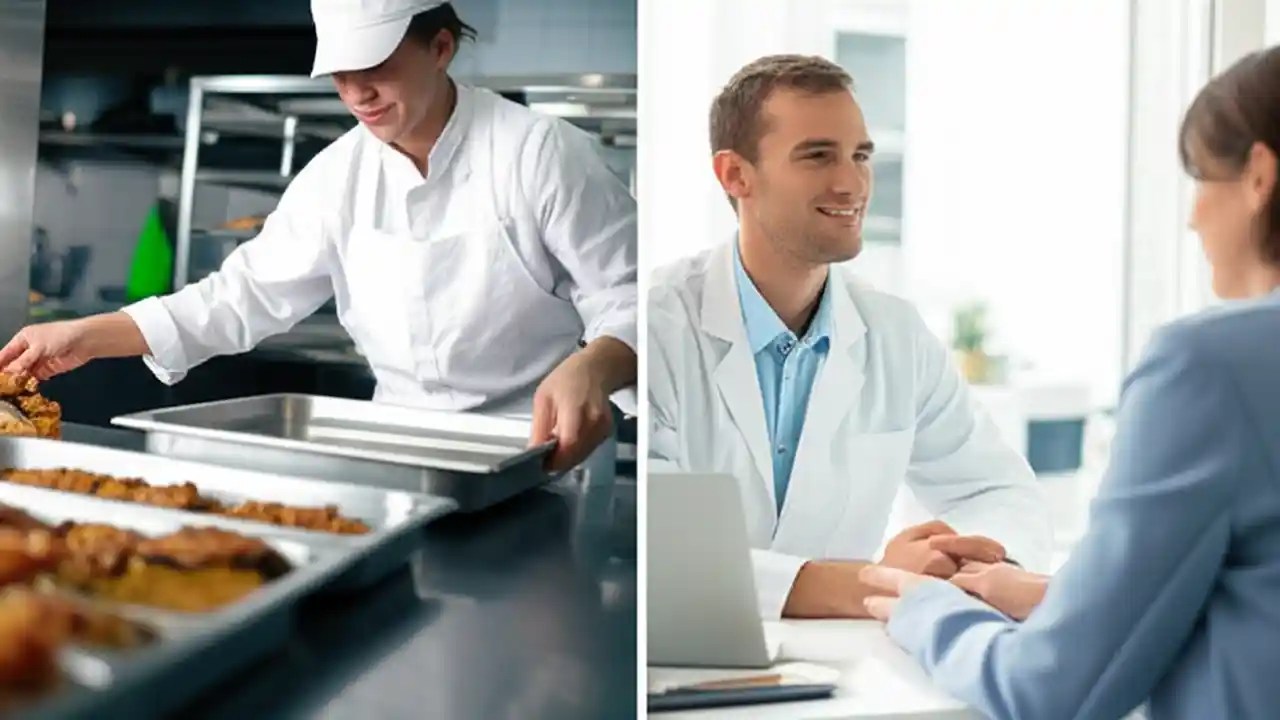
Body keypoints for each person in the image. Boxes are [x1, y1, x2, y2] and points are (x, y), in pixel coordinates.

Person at [1, 1, 637, 472]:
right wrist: (86, 334)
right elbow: (237, 299)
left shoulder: (540, 153)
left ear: (441, 48)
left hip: (541, 455)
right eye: (339, 71)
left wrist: (593, 365)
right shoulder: (339, 175)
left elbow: (636, 300)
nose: (356, 91)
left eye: (377, 66)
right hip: (398, 458)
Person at [861, 45, 1280, 720]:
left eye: (1202, 179)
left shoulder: (1213, 367)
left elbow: (1054, 691)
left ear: (1259, 176)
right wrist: (1066, 599)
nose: (1193, 216)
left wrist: (927, 611)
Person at [647, 54, 1052, 620]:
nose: (852, 183)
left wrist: (965, 561)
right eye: (817, 156)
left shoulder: (895, 333)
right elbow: (655, 548)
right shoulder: (655, 328)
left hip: (847, 672)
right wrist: (877, 582)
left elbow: (999, 491)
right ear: (736, 175)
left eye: (860, 155)